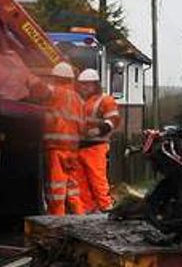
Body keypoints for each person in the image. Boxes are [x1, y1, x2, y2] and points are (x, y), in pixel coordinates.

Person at [39, 61, 86, 215]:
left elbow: (38, 90)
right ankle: (81, 219)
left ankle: (56, 222)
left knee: (56, 190)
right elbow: (83, 125)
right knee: (72, 189)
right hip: (72, 150)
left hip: (55, 148)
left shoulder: (53, 92)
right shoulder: (79, 99)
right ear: (71, 79)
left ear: (56, 78)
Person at [74, 68, 121, 213]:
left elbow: (114, 119)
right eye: (82, 84)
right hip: (80, 146)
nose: (85, 87)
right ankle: (87, 210)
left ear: (96, 85)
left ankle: (106, 208)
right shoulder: (79, 100)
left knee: (97, 180)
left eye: (88, 84)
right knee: (80, 182)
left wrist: (100, 129)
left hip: (96, 146)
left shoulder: (105, 100)